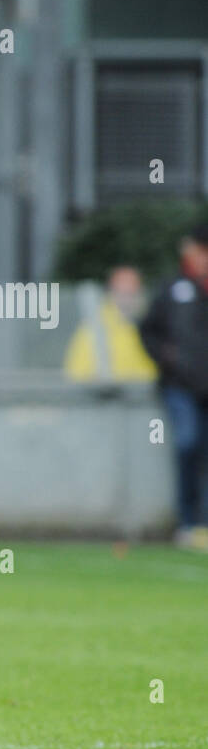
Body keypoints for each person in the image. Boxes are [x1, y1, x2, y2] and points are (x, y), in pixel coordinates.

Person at [139, 223, 208, 550]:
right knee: (188, 443)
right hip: (181, 385)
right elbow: (148, 330)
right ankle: (189, 521)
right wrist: (167, 358)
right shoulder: (173, 289)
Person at [63, 265, 156, 383]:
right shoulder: (94, 329)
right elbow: (75, 373)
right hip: (104, 398)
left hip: (142, 397)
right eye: (121, 294)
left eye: (131, 294)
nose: (126, 301)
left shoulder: (148, 327)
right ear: (111, 294)